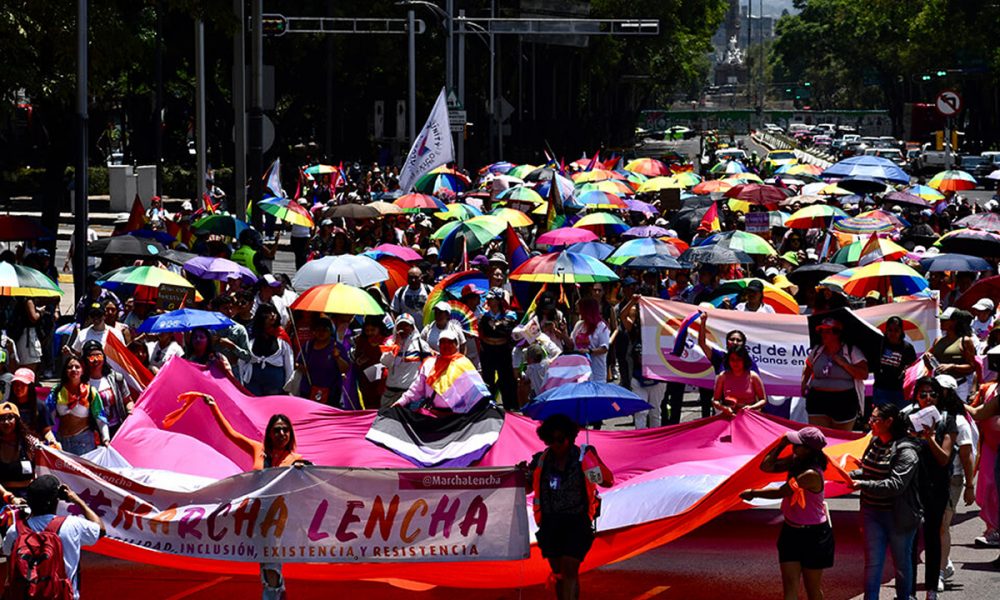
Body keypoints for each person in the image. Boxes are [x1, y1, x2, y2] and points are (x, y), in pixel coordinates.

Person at [174, 393, 306, 600]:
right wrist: (213, 406)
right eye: (277, 430)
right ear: (269, 434)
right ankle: (277, 595)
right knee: (266, 564)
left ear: (290, 433)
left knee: (271, 564)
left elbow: (312, 480)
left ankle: (272, 595)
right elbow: (230, 434)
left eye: (285, 429)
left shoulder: (297, 459)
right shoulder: (257, 449)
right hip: (252, 518)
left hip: (277, 521)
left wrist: (304, 470)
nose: (281, 433)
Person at [518, 414, 613, 600]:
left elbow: (606, 482)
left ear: (570, 437)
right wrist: (521, 475)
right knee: (560, 573)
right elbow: (527, 488)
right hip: (550, 523)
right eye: (551, 440)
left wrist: (594, 463)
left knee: (570, 568)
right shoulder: (540, 460)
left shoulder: (583, 457)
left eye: (560, 439)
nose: (556, 444)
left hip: (577, 522)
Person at [739, 427, 833, 600]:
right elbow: (766, 466)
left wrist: (753, 493)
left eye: (796, 444)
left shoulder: (810, 474)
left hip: (814, 535)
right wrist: (781, 445)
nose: (793, 447)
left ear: (808, 450)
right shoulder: (796, 460)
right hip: (791, 531)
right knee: (790, 586)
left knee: (812, 589)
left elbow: (782, 492)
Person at [850, 403, 922, 600]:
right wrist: (848, 475)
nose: (870, 422)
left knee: (902, 564)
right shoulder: (875, 442)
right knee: (873, 563)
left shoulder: (907, 451)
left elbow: (895, 485)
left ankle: (904, 597)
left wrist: (861, 484)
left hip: (898, 516)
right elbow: (868, 470)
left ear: (889, 422)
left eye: (875, 419)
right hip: (871, 513)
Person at [1, 474, 105, 600]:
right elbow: (100, 530)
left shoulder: (15, 530)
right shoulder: (72, 525)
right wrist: (78, 501)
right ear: (56, 500)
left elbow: (7, 555)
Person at [903, 376, 958, 599]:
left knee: (933, 536)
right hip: (913, 484)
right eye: (923, 394)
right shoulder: (907, 417)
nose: (928, 398)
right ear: (916, 396)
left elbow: (944, 458)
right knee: (910, 539)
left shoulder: (948, 420)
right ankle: (908, 590)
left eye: (933, 393)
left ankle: (932, 588)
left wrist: (928, 437)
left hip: (936, 485)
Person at [393, 329, 490, 414]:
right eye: (443, 342)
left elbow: (477, 392)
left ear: (456, 344)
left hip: (457, 417)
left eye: (450, 342)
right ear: (439, 345)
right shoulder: (429, 364)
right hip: (432, 414)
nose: (446, 345)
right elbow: (416, 389)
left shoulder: (464, 364)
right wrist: (401, 401)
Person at [802, 317, 868, 431]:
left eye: (827, 331)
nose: (823, 334)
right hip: (818, 399)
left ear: (837, 333)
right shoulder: (817, 349)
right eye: (821, 331)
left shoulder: (851, 350)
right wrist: (803, 383)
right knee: (817, 436)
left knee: (840, 438)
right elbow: (808, 365)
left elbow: (863, 374)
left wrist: (843, 363)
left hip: (843, 402)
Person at [46, 356, 109, 455]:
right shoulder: (56, 391)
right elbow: (49, 417)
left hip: (83, 442)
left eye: (77, 367)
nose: (73, 369)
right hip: (60, 442)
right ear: (65, 371)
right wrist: (50, 437)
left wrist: (106, 439)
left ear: (83, 371)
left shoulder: (90, 392)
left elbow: (100, 418)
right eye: (70, 367)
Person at [81, 340, 133, 438]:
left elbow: (128, 401)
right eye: (91, 357)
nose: (95, 360)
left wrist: (130, 411)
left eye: (99, 355)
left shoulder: (116, 378)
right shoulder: (82, 383)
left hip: (118, 429)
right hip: (93, 433)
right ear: (85, 360)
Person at [925, 307, 978, 402]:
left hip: (958, 387)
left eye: (945, 320)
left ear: (954, 322)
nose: (941, 321)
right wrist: (927, 359)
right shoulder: (938, 340)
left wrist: (952, 366)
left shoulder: (965, 341)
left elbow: (972, 367)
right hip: (938, 386)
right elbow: (930, 366)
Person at [380, 314, 432, 408]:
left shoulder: (421, 345)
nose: (403, 329)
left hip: (410, 395)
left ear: (412, 328)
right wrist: (396, 346)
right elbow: (385, 362)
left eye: (406, 325)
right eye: (400, 326)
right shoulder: (390, 343)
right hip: (390, 393)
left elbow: (428, 368)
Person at [479, 288, 518, 410]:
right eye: (489, 299)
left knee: (506, 378)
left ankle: (509, 406)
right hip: (488, 350)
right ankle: (487, 405)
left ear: (499, 300)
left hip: (503, 350)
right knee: (487, 378)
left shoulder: (510, 315)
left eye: (492, 299)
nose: (489, 301)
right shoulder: (484, 316)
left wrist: (497, 325)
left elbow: (506, 330)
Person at [245, 305, 295, 396]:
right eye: (267, 313)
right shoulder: (252, 334)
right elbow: (244, 358)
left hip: (274, 379)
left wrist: (288, 385)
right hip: (254, 377)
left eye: (274, 312)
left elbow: (289, 362)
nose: (272, 315)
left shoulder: (281, 336)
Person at [297, 316, 348, 406]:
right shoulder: (308, 345)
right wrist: (302, 368)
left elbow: (345, 369)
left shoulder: (338, 347)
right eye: (318, 330)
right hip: (308, 391)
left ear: (330, 331)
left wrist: (337, 358)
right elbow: (298, 363)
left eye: (324, 330)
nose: (321, 333)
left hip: (331, 393)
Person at [872, 316, 917, 410]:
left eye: (896, 330)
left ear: (901, 331)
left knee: (900, 418)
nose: (893, 333)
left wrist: (906, 371)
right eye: (890, 330)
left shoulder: (907, 348)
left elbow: (913, 368)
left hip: (900, 391)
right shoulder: (879, 344)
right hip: (881, 389)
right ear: (886, 330)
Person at [713, 347, 767, 416]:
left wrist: (751, 407)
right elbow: (715, 400)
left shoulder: (753, 376)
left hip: (749, 415)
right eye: (732, 359)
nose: (735, 362)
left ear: (744, 360)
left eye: (739, 359)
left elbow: (763, 400)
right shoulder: (722, 376)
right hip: (729, 415)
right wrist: (724, 408)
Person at [570, 297, 611, 384]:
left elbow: (604, 348)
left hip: (596, 373)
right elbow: (571, 344)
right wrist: (561, 334)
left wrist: (589, 351)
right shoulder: (579, 325)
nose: (578, 312)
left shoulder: (601, 327)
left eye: (580, 309)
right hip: (580, 372)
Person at [0, 402, 36, 498]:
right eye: (2, 419)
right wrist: (7, 495)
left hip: (28, 495)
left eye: (10, 417)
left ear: (17, 420)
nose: (6, 422)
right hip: (3, 495)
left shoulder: (29, 442)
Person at [352, 316, 388, 409]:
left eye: (373, 330)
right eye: (367, 330)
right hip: (365, 381)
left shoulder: (386, 341)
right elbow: (357, 358)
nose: (370, 333)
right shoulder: (362, 341)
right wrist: (360, 360)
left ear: (379, 328)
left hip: (381, 380)